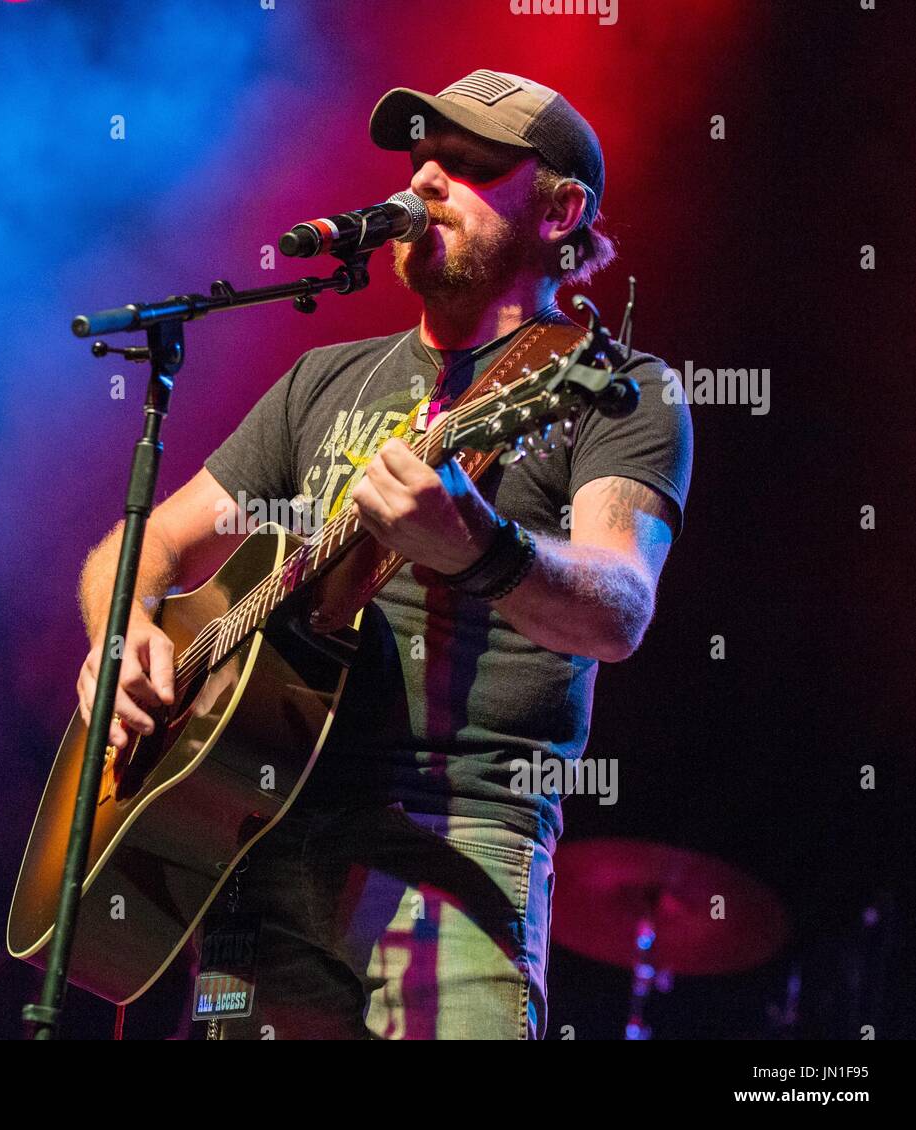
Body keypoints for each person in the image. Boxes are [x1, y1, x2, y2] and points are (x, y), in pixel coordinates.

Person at [75, 70, 692, 1039]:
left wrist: (477, 547)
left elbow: (617, 606)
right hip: (247, 840)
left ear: (561, 208)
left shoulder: (609, 387)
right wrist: (123, 637)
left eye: (470, 162)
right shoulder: (319, 378)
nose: (428, 179)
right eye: (421, 157)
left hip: (452, 843)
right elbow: (139, 543)